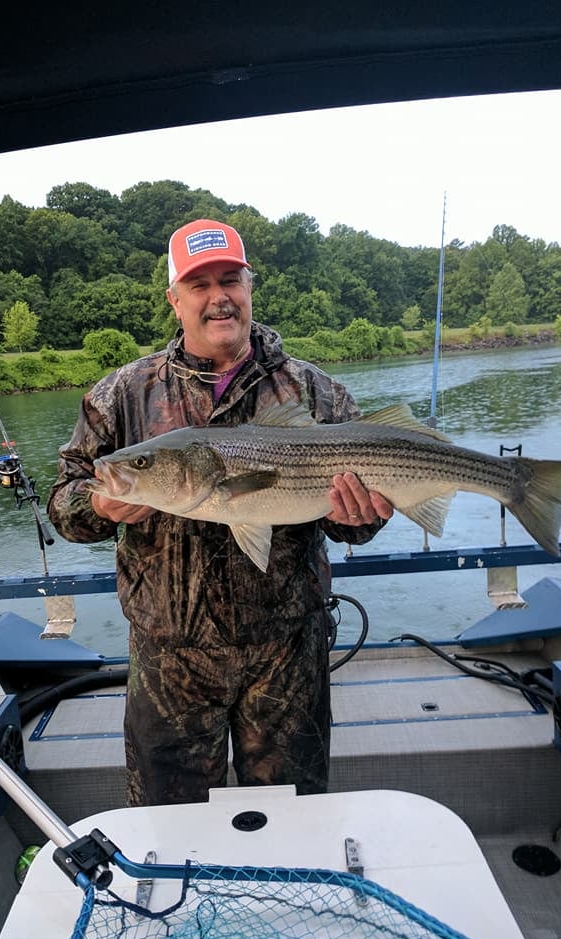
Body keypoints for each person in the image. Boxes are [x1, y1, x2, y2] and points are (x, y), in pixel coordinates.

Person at [47, 218, 393, 807]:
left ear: (250, 287)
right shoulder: (122, 394)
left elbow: (351, 522)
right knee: (169, 823)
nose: (218, 297)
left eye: (229, 280)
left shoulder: (316, 392)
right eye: (200, 284)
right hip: (169, 660)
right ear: (174, 300)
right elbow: (65, 501)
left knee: (291, 815)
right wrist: (100, 504)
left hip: (288, 652)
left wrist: (364, 513)